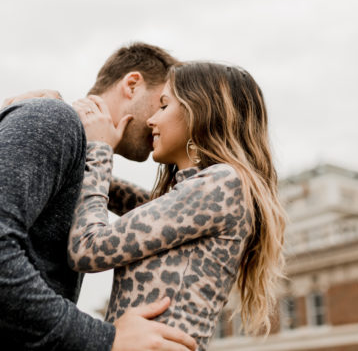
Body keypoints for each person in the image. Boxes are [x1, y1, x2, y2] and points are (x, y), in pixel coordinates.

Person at [0, 43, 198, 351]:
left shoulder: (71, 147)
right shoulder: (53, 121)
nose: (160, 120)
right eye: (162, 103)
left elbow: (166, 210)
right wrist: (104, 340)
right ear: (132, 84)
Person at [67, 62, 286, 350]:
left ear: (199, 112)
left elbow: (88, 247)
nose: (151, 121)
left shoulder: (222, 184)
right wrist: (73, 154)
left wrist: (99, 150)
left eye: (163, 106)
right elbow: (139, 208)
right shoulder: (208, 190)